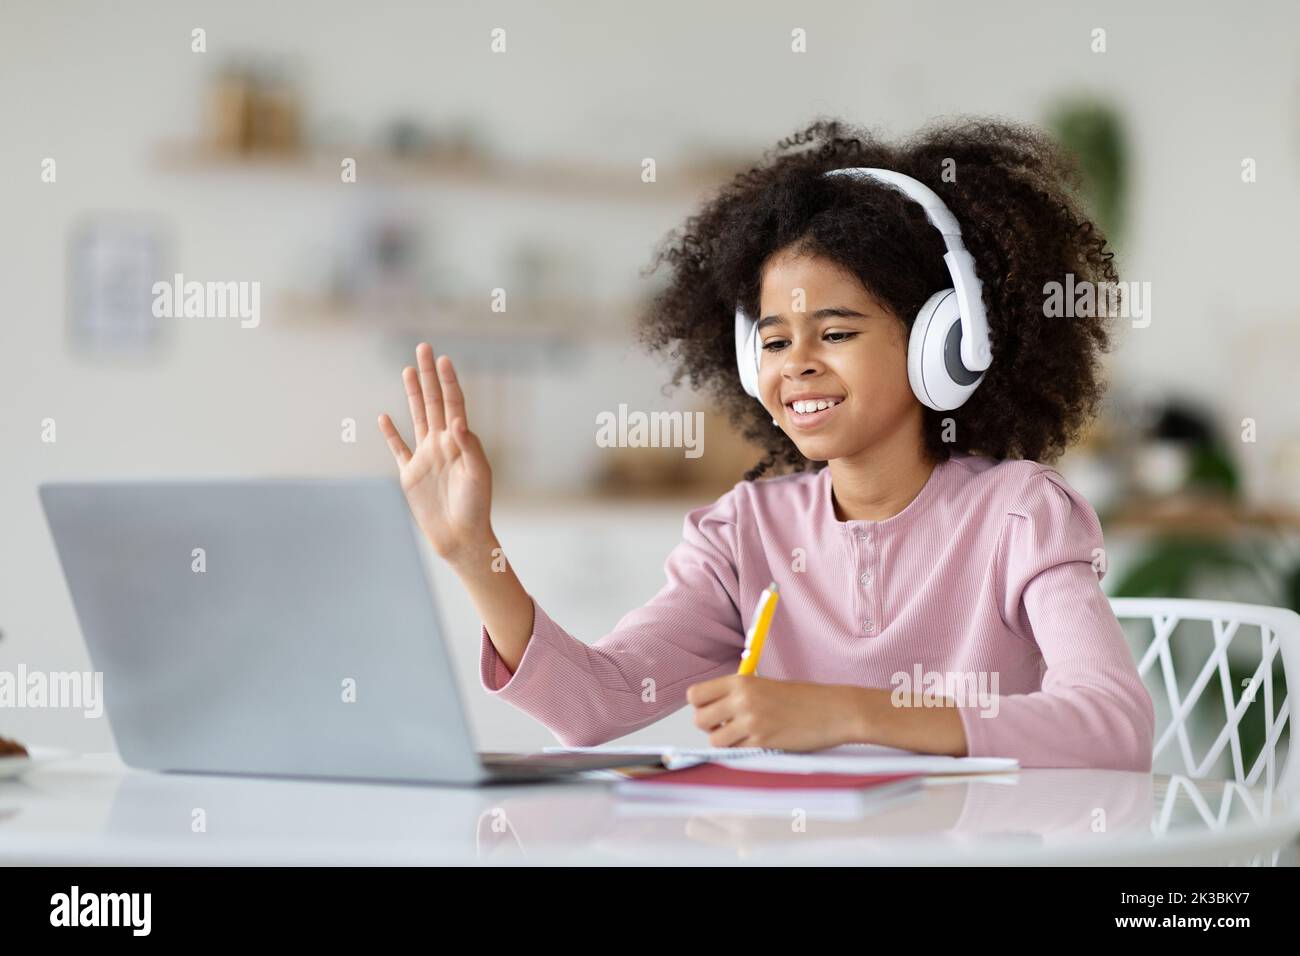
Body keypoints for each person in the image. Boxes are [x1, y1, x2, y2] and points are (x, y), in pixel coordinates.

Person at [377, 116, 1155, 770]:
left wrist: (849, 714)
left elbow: (1115, 725)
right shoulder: (745, 535)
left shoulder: (1019, 514)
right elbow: (594, 706)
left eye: (838, 331)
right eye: (776, 342)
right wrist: (475, 552)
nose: (799, 365)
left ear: (945, 347)